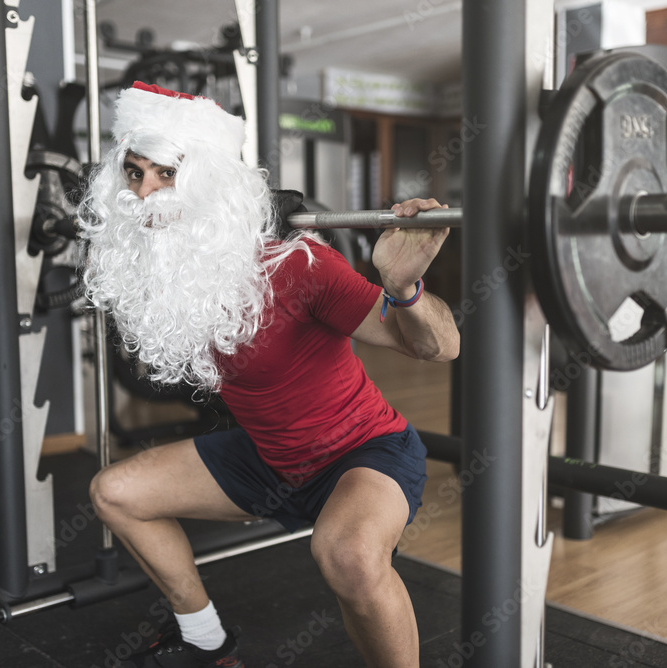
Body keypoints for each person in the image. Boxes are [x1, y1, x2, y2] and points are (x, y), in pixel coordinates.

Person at [79, 81, 459, 668]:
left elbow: (441, 348)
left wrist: (404, 288)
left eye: (166, 175)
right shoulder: (167, 272)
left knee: (349, 557)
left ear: (209, 183)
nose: (144, 193)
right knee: (116, 493)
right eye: (134, 174)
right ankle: (205, 639)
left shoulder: (300, 265)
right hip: (270, 457)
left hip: (361, 452)